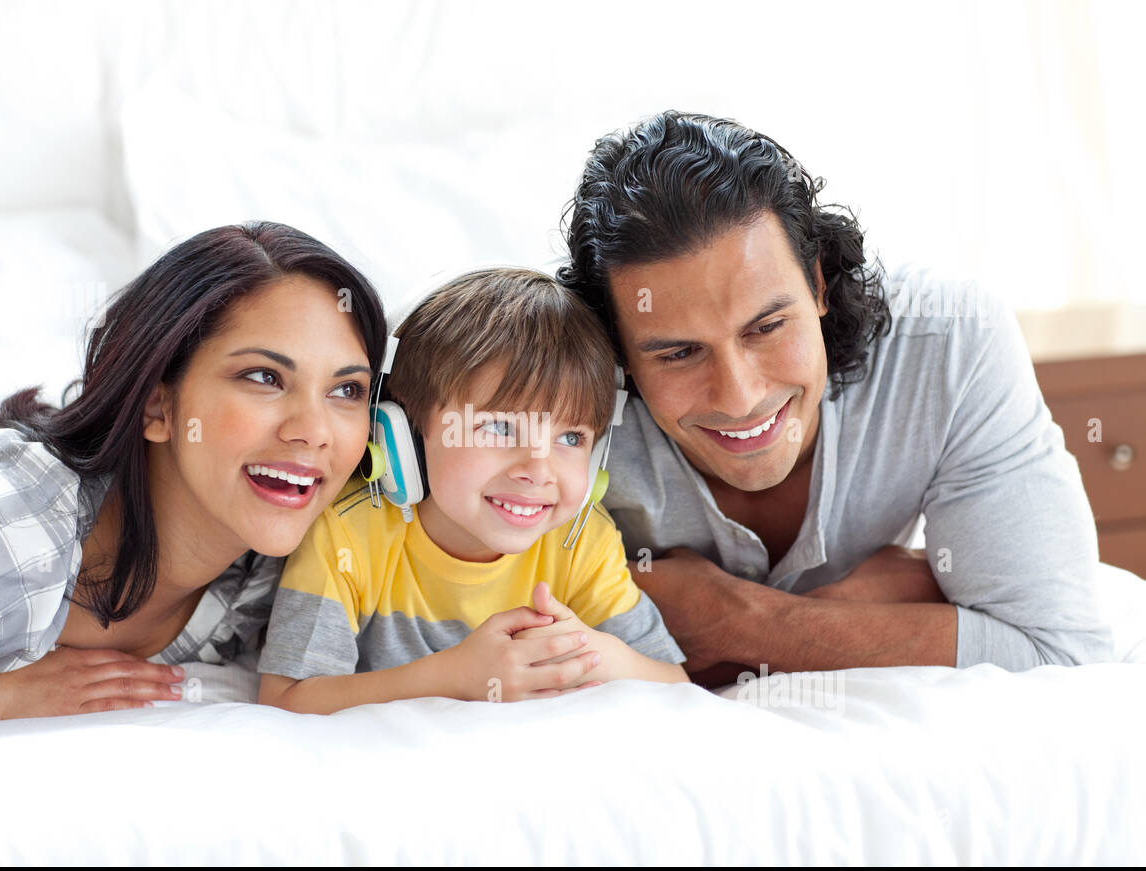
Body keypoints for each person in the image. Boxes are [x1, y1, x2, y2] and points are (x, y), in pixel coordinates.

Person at [557, 111, 1111, 682]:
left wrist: (733, 621)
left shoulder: (949, 344)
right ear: (617, 351)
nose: (740, 396)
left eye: (767, 327)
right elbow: (503, 638)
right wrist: (885, 602)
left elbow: (1060, 657)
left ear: (818, 283)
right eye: (678, 354)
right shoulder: (557, 401)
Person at [0, 221, 386, 745]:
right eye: (264, 378)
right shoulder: (7, 529)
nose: (314, 432)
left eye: (346, 390)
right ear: (157, 402)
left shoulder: (286, 566)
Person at [257, 268, 688, 714]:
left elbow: (675, 684)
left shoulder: (582, 541)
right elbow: (287, 699)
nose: (537, 471)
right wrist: (455, 677)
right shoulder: (345, 533)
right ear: (401, 434)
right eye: (500, 428)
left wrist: (599, 654)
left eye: (571, 438)